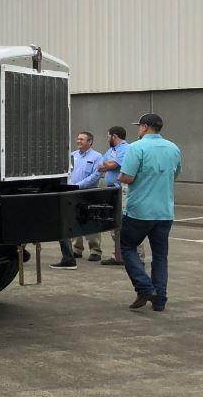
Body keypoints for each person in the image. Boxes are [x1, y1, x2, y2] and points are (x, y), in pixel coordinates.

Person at [118, 113, 181, 312]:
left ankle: (145, 287)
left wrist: (120, 175)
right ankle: (160, 299)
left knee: (127, 247)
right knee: (160, 256)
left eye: (139, 126)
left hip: (140, 210)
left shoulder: (137, 147)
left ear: (145, 127)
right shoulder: (173, 148)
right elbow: (175, 175)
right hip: (164, 211)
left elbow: (127, 177)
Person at [78, 126, 138, 265]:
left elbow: (110, 165)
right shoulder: (111, 150)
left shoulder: (126, 149)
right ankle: (118, 255)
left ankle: (135, 256)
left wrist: (109, 165)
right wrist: (108, 165)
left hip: (122, 190)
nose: (107, 139)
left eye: (108, 136)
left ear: (114, 136)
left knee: (127, 223)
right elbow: (102, 165)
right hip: (111, 191)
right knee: (114, 224)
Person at [50, 131, 104, 269]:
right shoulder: (72, 156)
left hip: (88, 192)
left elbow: (96, 176)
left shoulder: (97, 157)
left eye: (82, 139)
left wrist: (79, 186)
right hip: (72, 192)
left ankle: (95, 250)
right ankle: (76, 249)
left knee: (91, 221)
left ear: (90, 142)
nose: (78, 141)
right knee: (73, 220)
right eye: (78, 139)